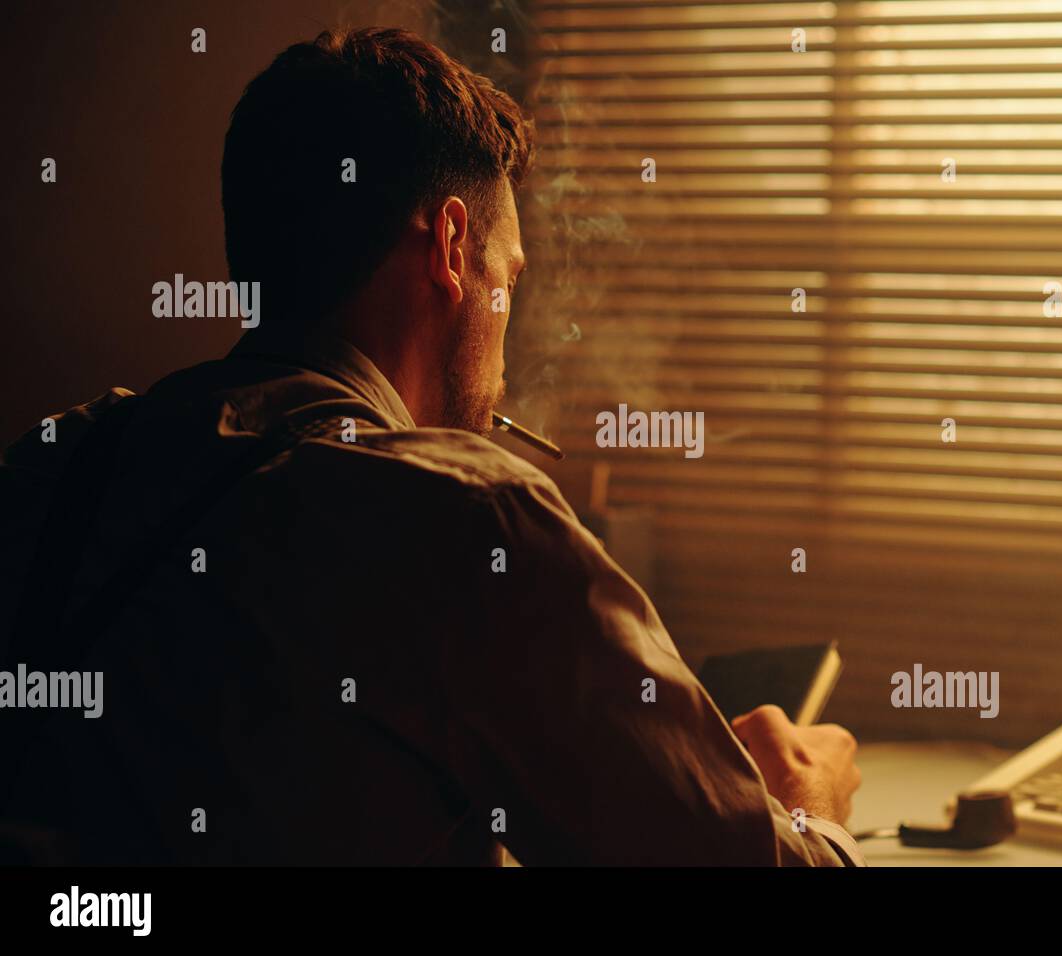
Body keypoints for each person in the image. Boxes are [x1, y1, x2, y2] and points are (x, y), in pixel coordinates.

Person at [0, 28, 863, 865]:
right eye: (509, 279)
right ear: (453, 248)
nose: (508, 330)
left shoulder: (56, 459)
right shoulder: (464, 510)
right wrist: (804, 807)